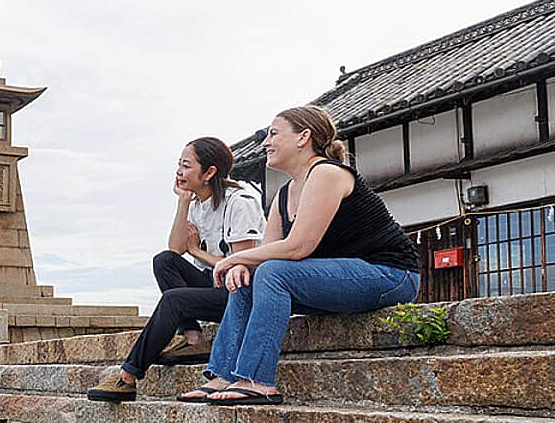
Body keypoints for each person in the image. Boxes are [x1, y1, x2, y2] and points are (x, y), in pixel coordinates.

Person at [178, 106, 420, 406]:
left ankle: (256, 380)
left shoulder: (327, 172)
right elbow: (267, 254)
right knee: (247, 279)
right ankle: (224, 375)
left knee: (272, 273)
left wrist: (231, 259)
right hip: (339, 281)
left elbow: (298, 247)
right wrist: (242, 265)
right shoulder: (284, 194)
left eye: (273, 133)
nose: (265, 142)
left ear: (303, 137)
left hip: (390, 275)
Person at [87, 137, 266, 402]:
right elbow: (175, 249)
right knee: (164, 260)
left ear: (209, 172)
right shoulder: (197, 205)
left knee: (175, 299)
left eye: (186, 166)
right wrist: (183, 202)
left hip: (240, 292)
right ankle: (193, 339)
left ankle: (128, 376)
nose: (178, 172)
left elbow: (242, 266)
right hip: (214, 283)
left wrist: (197, 252)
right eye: (179, 165)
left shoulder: (240, 201)